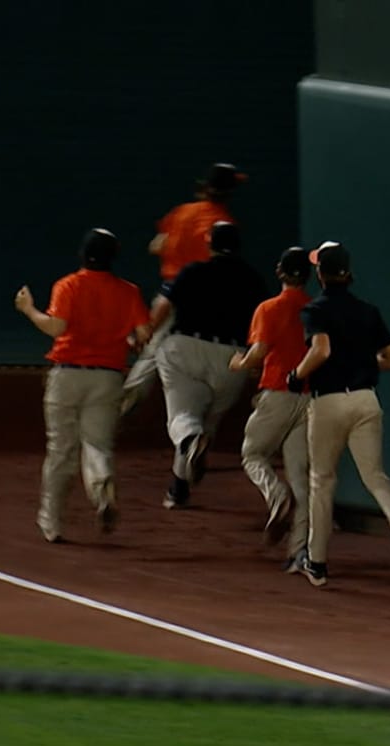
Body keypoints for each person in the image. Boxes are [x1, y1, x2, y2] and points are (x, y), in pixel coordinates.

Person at [289, 241, 390, 587]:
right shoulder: (368, 311)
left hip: (329, 401)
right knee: (374, 474)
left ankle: (316, 563)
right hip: (365, 399)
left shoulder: (315, 310)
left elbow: (321, 349)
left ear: (320, 273)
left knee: (322, 481)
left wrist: (296, 375)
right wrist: (363, 362)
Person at [14, 228, 150, 543]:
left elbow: (56, 327)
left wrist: (28, 309)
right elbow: (143, 335)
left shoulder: (68, 285)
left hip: (68, 374)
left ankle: (52, 522)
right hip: (108, 376)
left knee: (61, 450)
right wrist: (125, 338)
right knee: (98, 445)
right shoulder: (128, 292)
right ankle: (102, 491)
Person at [148, 220, 268, 509]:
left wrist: (148, 333)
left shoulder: (193, 271)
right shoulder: (254, 280)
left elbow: (162, 307)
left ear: (209, 242)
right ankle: (179, 489)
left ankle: (189, 446)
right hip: (233, 357)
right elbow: (264, 328)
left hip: (185, 348)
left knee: (184, 419)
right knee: (205, 424)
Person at [123, 161, 247, 418]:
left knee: (153, 351)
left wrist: (178, 247)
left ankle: (125, 401)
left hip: (171, 291)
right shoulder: (223, 222)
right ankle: (199, 418)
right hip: (202, 298)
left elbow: (155, 245)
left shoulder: (182, 213)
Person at [229, 246, 313, 565]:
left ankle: (276, 496)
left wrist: (240, 363)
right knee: (300, 476)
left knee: (253, 454)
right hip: (308, 397)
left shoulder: (269, 308)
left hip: (278, 392)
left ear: (280, 272)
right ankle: (299, 549)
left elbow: (259, 352)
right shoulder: (314, 308)